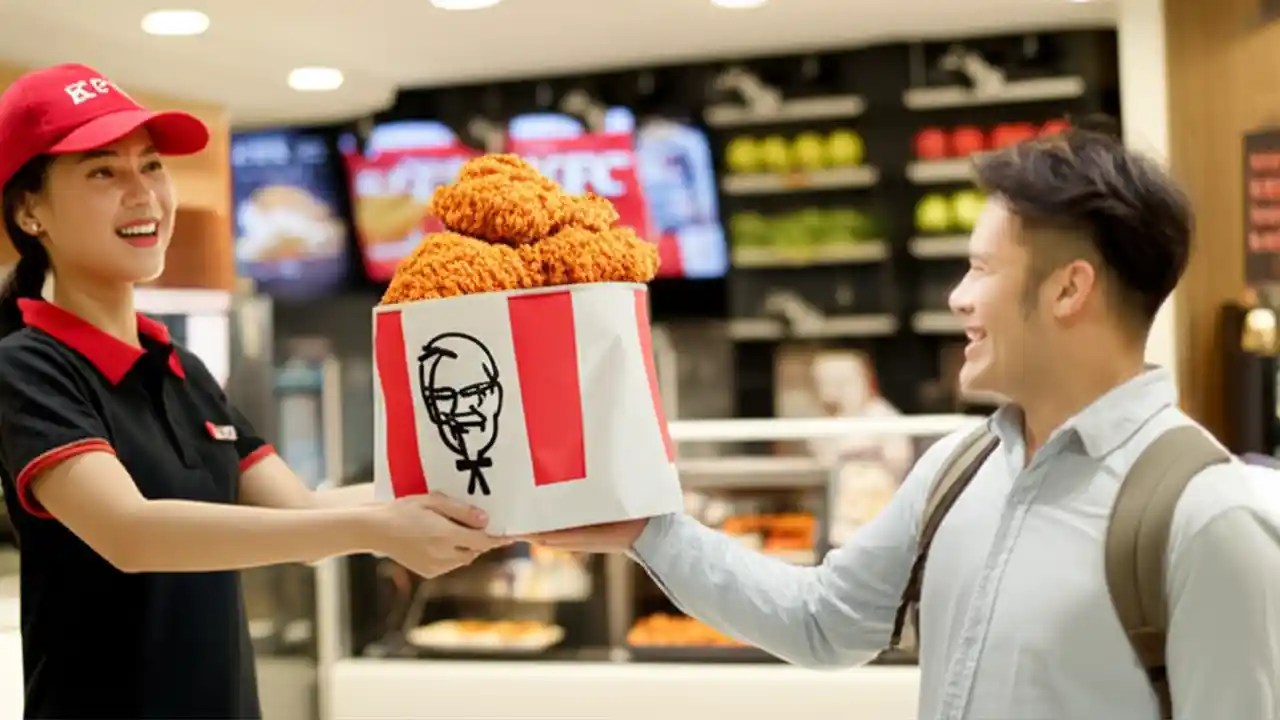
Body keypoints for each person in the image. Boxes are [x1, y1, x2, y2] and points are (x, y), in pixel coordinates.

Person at [530, 128, 1280, 719]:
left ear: (1068, 289)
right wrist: (647, 530)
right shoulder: (961, 470)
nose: (958, 298)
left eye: (982, 269)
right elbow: (824, 621)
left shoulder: (1206, 516)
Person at [0, 64, 504, 719]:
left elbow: (301, 518)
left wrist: (481, 489)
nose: (143, 193)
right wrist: (381, 526)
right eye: (103, 171)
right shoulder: (27, 367)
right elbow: (130, 534)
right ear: (30, 210)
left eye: (151, 166)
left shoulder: (181, 368)